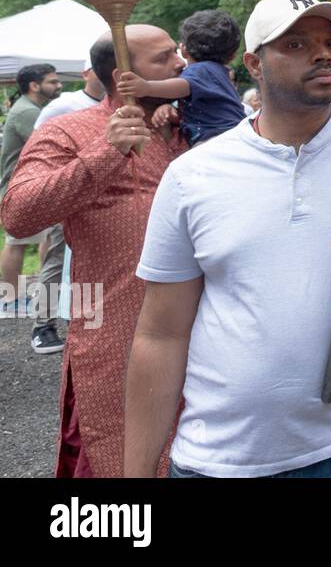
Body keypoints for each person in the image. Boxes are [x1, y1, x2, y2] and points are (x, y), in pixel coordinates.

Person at [124, 0, 331, 478]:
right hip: (223, 455)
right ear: (254, 63)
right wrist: (136, 471)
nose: (322, 54)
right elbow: (161, 333)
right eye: (295, 45)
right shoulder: (194, 174)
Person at [1, 28, 187, 476]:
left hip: (209, 334)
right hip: (118, 338)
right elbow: (18, 214)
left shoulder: (188, 125)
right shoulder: (70, 130)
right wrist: (106, 151)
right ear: (124, 76)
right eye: (165, 58)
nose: (181, 63)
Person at [26, 58, 107, 355]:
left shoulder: (124, 104)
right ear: (87, 73)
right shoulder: (65, 105)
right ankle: (43, 326)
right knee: (58, 260)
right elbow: (38, 147)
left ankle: (89, 320)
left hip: (104, 201)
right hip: (70, 198)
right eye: (101, 68)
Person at [116, 9, 246, 145]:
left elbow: (183, 86)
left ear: (183, 49)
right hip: (230, 135)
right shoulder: (219, 73)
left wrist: (147, 87)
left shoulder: (200, 69)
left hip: (216, 138)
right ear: (233, 56)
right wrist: (173, 111)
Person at [1, 63, 62, 317]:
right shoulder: (27, 111)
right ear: (34, 86)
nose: (58, 86)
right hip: (20, 190)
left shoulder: (34, 108)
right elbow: (49, 145)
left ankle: (43, 292)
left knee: (46, 238)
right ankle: (9, 300)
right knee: (18, 243)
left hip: (35, 188)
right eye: (52, 82)